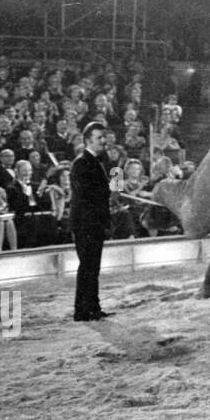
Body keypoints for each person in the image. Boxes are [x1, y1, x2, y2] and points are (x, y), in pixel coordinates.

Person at [71, 121, 116, 321]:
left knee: (92, 267)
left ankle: (93, 307)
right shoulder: (81, 162)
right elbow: (85, 194)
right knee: (87, 267)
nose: (103, 140)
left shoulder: (101, 160)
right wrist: (109, 193)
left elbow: (114, 178)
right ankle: (82, 310)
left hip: (95, 221)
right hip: (85, 222)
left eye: (104, 136)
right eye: (99, 137)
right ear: (88, 140)